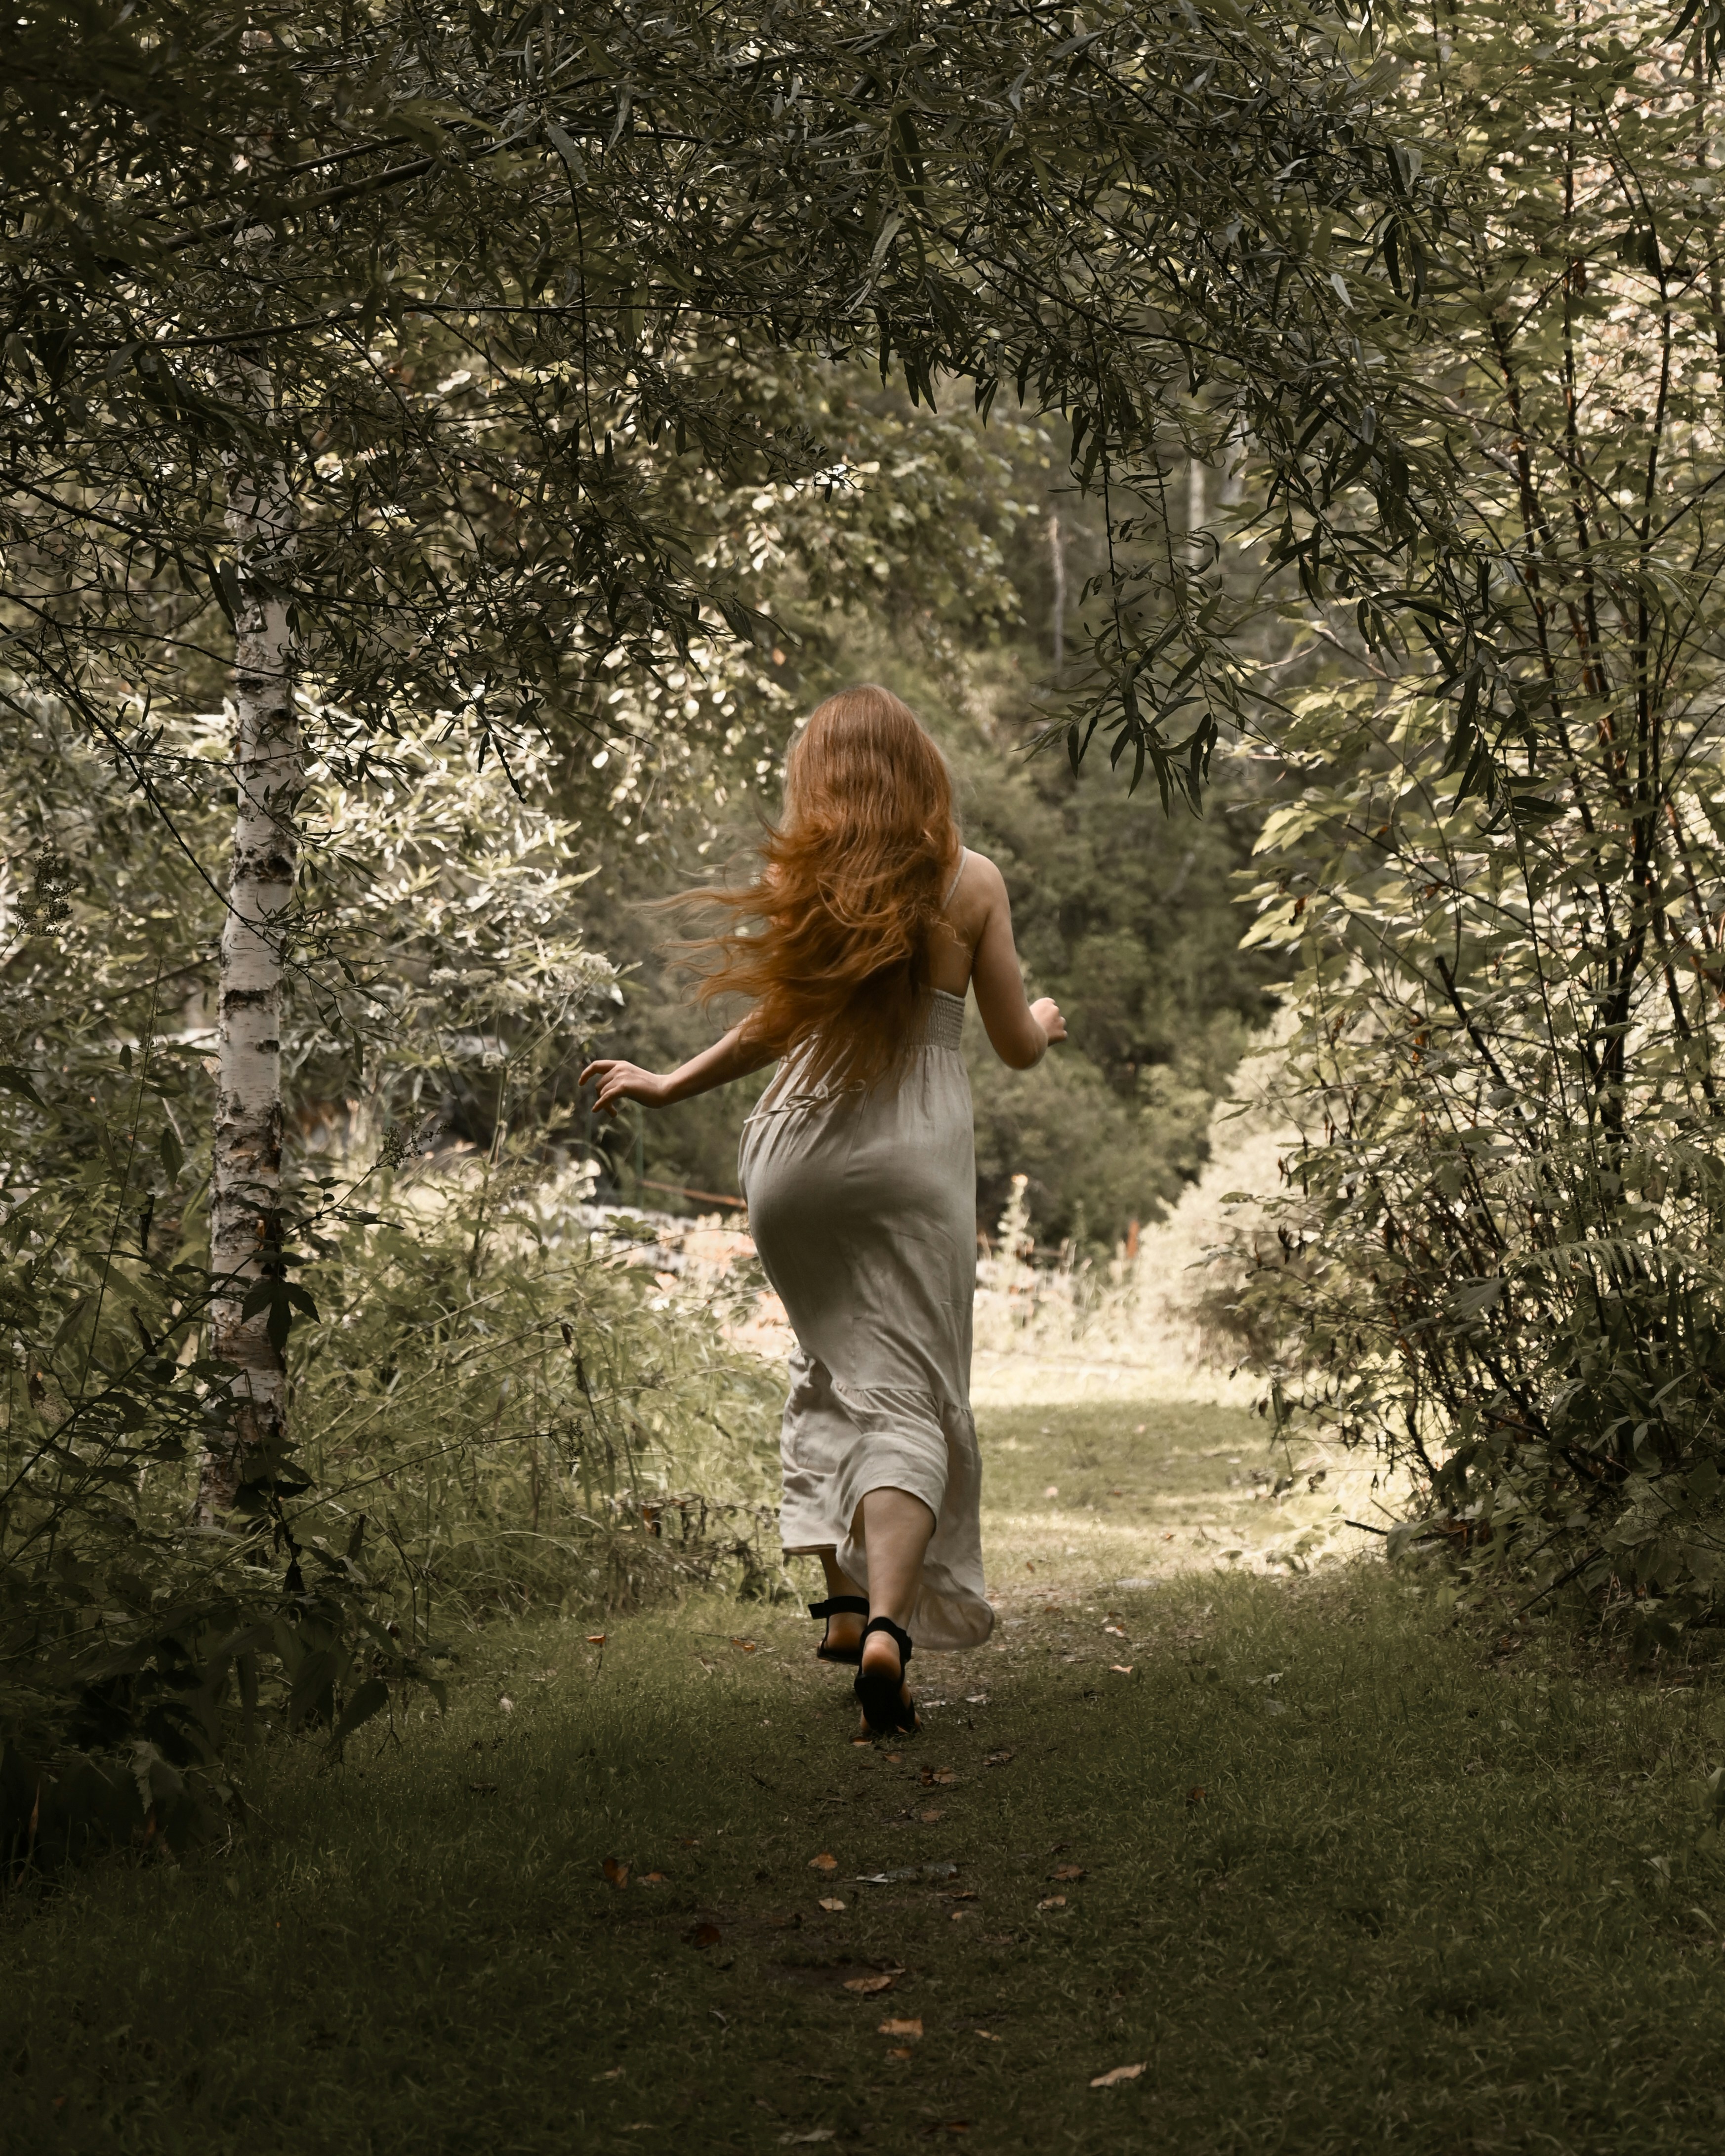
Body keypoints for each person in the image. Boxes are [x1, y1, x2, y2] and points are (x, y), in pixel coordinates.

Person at [580, 686, 1065, 1736]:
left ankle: (842, 1600)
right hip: (910, 1163)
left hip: (791, 1162)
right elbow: (1015, 1043)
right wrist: (1044, 1017)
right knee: (909, 1393)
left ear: (823, 781)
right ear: (922, 769)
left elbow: (766, 1031)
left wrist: (667, 1082)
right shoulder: (969, 882)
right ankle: (888, 1625)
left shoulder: (809, 890)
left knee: (829, 1363)